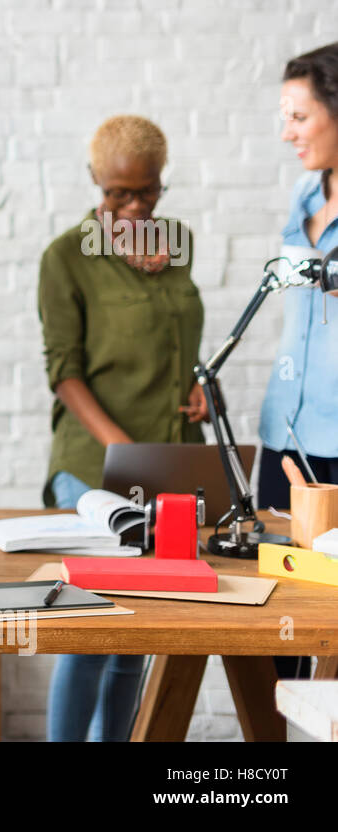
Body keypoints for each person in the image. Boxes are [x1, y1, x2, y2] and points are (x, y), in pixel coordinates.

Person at [38, 115, 206, 741]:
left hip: (169, 464)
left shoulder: (180, 243)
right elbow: (64, 371)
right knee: (90, 629)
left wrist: (197, 387)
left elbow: (181, 340)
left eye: (148, 191)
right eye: (118, 194)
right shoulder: (64, 258)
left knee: (133, 634)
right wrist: (122, 447)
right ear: (95, 183)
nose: (134, 206)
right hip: (93, 468)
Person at [258, 41, 338, 682]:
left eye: (299, 117)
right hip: (284, 429)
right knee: (272, 608)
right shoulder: (305, 193)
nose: (286, 133)